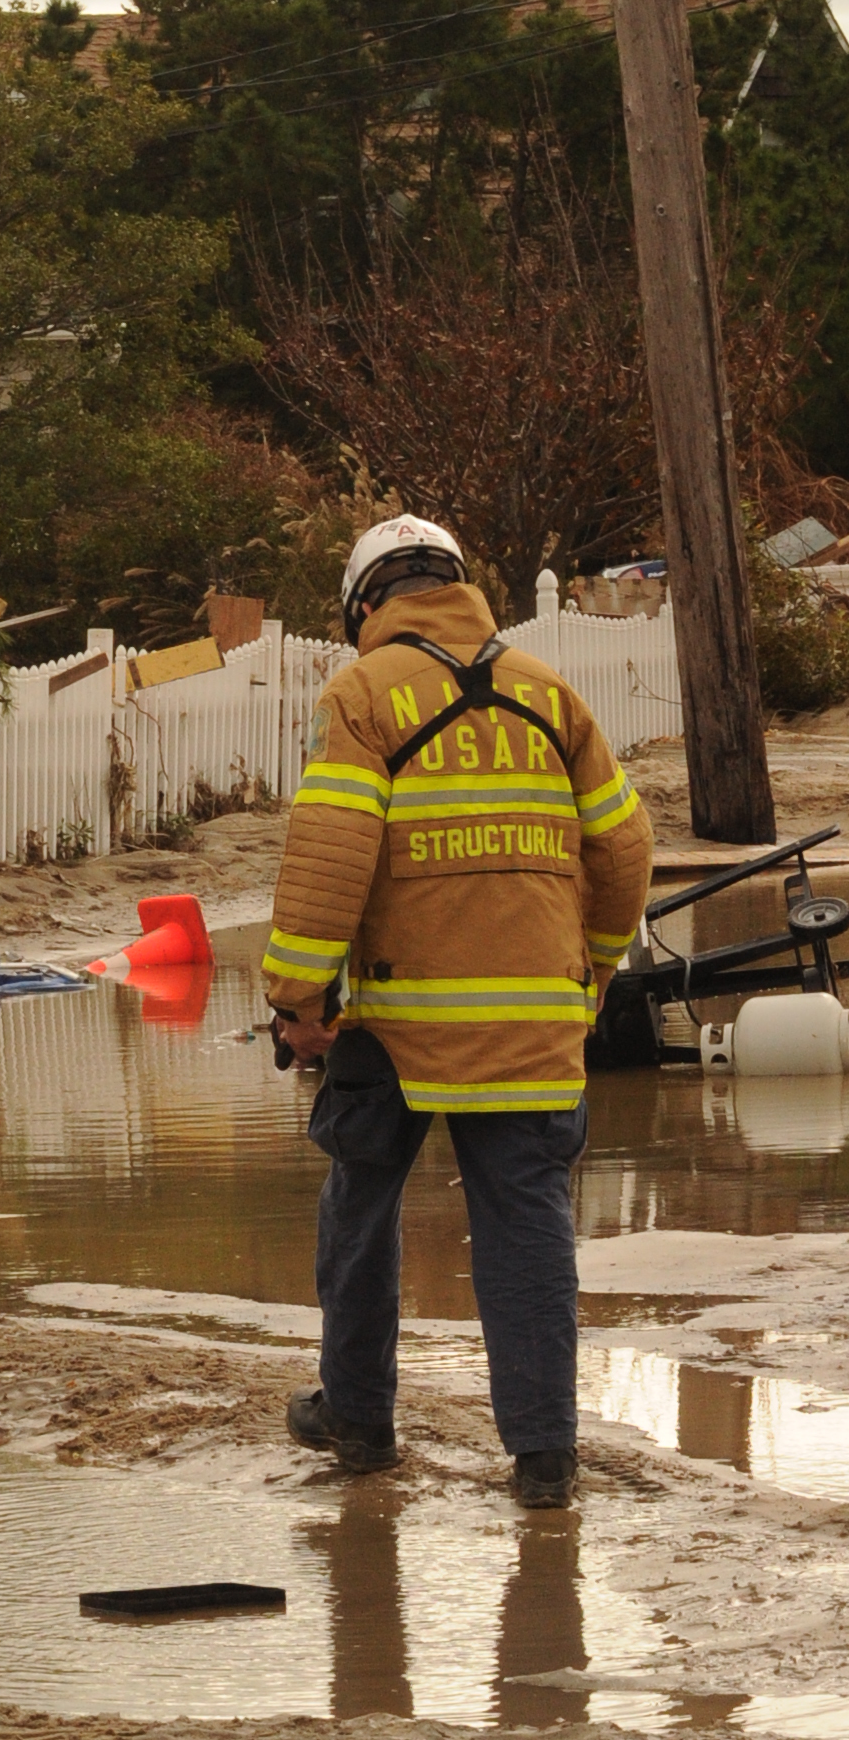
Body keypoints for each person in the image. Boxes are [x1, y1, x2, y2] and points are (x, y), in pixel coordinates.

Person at [265, 511, 651, 1507]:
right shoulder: (547, 690)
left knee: (362, 1197)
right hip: (533, 1016)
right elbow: (622, 847)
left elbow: (332, 850)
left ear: (365, 604)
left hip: (392, 1019)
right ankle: (544, 1454)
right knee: (527, 1220)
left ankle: (357, 1417)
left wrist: (299, 999)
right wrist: (597, 967)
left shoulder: (361, 693)